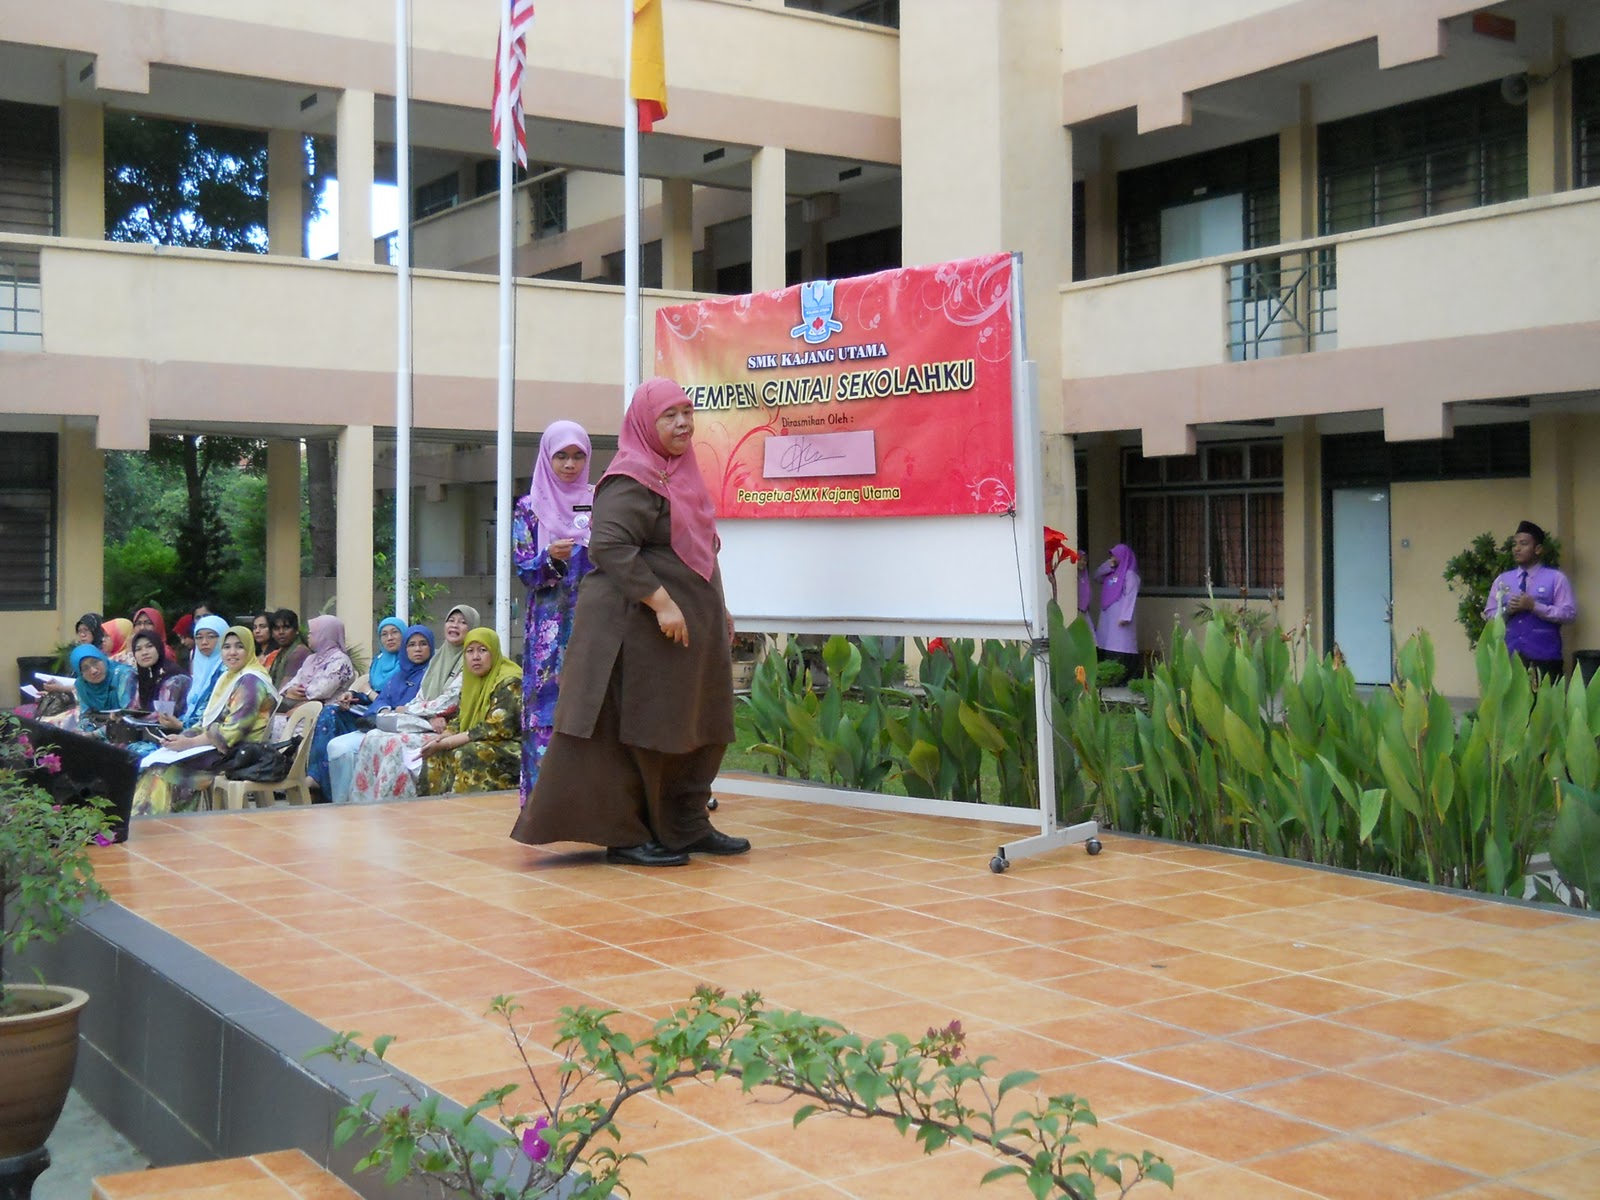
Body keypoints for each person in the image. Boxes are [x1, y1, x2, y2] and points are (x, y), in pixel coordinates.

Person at [510, 377, 745, 867]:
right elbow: (609, 546)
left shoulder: (680, 472)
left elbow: (697, 549)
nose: (682, 422)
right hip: (628, 630)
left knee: (694, 720)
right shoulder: (631, 477)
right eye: (668, 415)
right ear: (644, 423)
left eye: (687, 411)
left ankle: (685, 824)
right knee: (628, 727)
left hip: (679, 630)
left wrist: (715, 607)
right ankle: (625, 832)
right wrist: (662, 602)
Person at [513, 420, 596, 804]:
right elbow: (523, 569)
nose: (570, 464)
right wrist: (548, 558)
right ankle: (545, 807)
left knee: (594, 710)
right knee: (546, 715)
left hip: (595, 625)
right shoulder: (529, 508)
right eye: (561, 455)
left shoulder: (599, 502)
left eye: (578, 456)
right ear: (547, 457)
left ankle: (588, 804)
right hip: (548, 631)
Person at [336, 603, 479, 804]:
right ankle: (360, 804)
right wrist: (417, 711)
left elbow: (451, 699)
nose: (455, 626)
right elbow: (422, 694)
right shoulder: (438, 658)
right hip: (426, 717)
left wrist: (411, 710)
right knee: (373, 737)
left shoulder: (470, 658)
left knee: (395, 745)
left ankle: (390, 807)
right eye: (451, 620)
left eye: (463, 622)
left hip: (451, 723)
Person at [132, 626, 278, 816]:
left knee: (165, 769)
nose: (232, 652)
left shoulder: (251, 681)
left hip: (240, 752)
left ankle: (161, 823)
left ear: (250, 649)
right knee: (156, 761)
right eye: (226, 647)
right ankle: (147, 820)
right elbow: (207, 721)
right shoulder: (229, 677)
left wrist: (190, 743)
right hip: (220, 749)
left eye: (239, 647)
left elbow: (230, 734)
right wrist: (181, 738)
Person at [308, 624, 432, 798]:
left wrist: (394, 709)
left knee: (344, 746)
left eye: (423, 644)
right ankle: (337, 799)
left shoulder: (432, 674)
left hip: (406, 727)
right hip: (380, 721)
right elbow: (383, 698)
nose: (417, 649)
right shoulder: (399, 673)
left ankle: (353, 800)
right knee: (335, 738)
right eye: (411, 645)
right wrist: (379, 706)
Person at [419, 627, 522, 797]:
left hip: (512, 746)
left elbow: (496, 728)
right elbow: (460, 717)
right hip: (482, 739)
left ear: (494, 652)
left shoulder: (510, 680)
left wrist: (449, 742)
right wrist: (444, 735)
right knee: (434, 753)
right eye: (470, 651)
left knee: (466, 753)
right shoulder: (470, 680)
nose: (475, 657)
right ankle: (433, 809)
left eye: (482, 650)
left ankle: (465, 810)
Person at [1484, 519, 1577, 683]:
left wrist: (1535, 606)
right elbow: (1490, 615)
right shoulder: (1502, 580)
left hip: (1545, 658)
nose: (1517, 549)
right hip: (1509, 659)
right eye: (1515, 544)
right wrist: (1507, 610)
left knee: (1544, 706)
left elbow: (1568, 614)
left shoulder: (1555, 578)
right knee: (1514, 707)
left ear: (1538, 549)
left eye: (1524, 544)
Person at [272, 614, 354, 737]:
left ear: (325, 634)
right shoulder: (311, 659)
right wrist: (290, 690)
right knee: (266, 722)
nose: (308, 636)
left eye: (312, 633)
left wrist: (296, 695)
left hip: (324, 716)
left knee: (274, 725)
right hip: (303, 711)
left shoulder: (340, 661)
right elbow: (291, 684)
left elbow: (319, 691)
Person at [41, 644, 136, 733]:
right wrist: (84, 732)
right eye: (85, 668)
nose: (93, 671)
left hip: (126, 732)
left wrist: (95, 734)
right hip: (99, 731)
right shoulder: (82, 685)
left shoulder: (124, 675)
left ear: (102, 658)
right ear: (80, 672)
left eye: (95, 662)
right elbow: (85, 716)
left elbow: (127, 716)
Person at [159, 614, 230, 733]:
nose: (204, 642)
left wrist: (181, 725)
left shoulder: (227, 671)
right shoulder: (199, 665)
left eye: (211, 637)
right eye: (199, 637)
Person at [1094, 543, 1141, 678]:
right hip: (1108, 616)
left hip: (1121, 618)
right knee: (1106, 643)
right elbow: (1096, 576)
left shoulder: (1130, 575)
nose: (1114, 557)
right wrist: (1108, 565)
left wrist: (1125, 616)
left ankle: (1123, 677)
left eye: (1116, 555)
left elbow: (1130, 596)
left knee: (1121, 644)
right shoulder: (1111, 572)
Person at [130, 629, 189, 714]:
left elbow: (164, 714)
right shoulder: (144, 675)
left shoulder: (173, 677)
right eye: (138, 649)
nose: (144, 653)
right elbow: (135, 707)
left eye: (149, 646)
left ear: (159, 648)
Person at [264, 608, 310, 689]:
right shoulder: (282, 652)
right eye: (276, 629)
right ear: (272, 633)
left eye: (286, 628)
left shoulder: (299, 652)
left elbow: (284, 689)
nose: (281, 632)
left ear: (296, 630)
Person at [366, 617, 408, 695]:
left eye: (394, 632)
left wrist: (369, 692)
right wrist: (352, 694)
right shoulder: (377, 661)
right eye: (384, 634)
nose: (389, 638)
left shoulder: (410, 662)